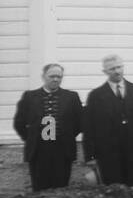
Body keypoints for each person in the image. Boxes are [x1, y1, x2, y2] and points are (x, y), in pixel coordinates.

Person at [83, 54, 133, 189]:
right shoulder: (96, 96)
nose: (117, 71)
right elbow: (89, 127)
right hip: (109, 152)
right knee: (114, 188)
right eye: (112, 69)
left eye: (119, 67)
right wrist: (90, 156)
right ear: (105, 72)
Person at [13, 63, 83, 191]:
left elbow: (79, 122)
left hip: (63, 150)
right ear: (43, 76)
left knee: (61, 188)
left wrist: (66, 135)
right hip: (38, 150)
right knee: (40, 188)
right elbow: (19, 123)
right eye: (52, 76)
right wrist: (31, 138)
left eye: (59, 76)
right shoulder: (29, 97)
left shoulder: (71, 97)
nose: (55, 79)